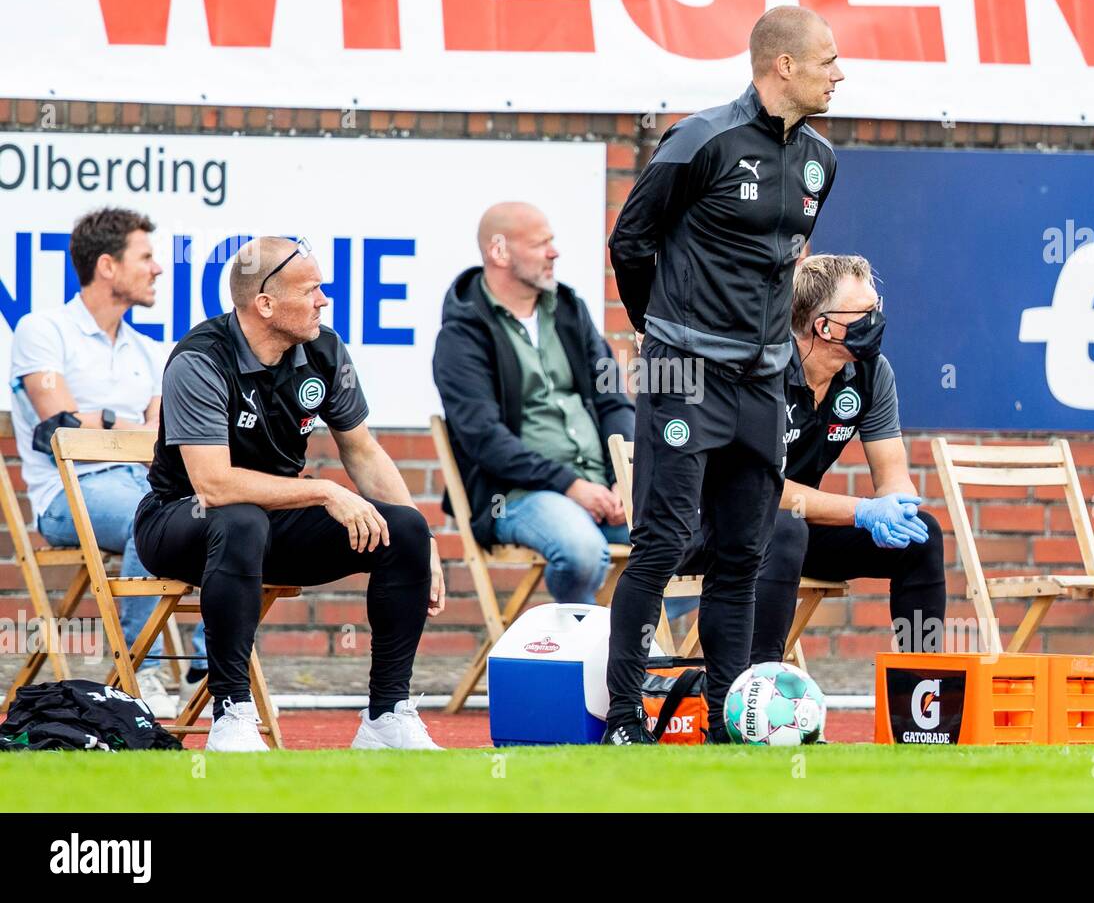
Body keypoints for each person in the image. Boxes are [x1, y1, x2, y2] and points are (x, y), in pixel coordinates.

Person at [603, 6, 844, 744]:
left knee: (745, 547)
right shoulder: (700, 137)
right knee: (664, 540)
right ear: (784, 67)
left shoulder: (820, 161)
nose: (840, 73)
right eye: (828, 60)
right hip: (683, 366)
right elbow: (631, 240)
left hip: (762, 381)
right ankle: (622, 719)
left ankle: (725, 725)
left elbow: (783, 268)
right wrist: (662, 331)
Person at [133, 236, 445, 752]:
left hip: (269, 525)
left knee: (405, 530)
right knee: (240, 520)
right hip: (181, 520)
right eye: (313, 289)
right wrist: (323, 491)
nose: (324, 300)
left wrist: (424, 540)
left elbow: (362, 451)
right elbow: (213, 484)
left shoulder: (323, 348)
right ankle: (231, 712)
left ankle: (387, 715)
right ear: (265, 304)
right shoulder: (199, 358)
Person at [9, 207, 202, 718]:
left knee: (221, 511)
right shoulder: (42, 329)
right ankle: (142, 673)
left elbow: (167, 439)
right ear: (107, 267)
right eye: (145, 257)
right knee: (153, 514)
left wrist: (100, 422)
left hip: (140, 485)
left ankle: (209, 669)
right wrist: (128, 426)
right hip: (66, 496)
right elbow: (61, 433)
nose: (158, 269)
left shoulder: (150, 348)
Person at [743, 253, 945, 663]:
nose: (877, 321)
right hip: (723, 524)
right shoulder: (763, 367)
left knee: (922, 535)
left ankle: (919, 699)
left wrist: (897, 507)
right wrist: (864, 511)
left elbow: (892, 474)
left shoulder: (872, 372)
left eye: (877, 308)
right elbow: (762, 490)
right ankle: (759, 688)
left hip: (797, 528)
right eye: (865, 313)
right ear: (824, 326)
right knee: (785, 528)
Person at [434, 202, 634, 604]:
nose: (554, 252)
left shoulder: (569, 311)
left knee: (697, 543)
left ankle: (618, 642)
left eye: (553, 241)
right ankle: (587, 652)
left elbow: (613, 401)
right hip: (515, 496)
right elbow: (485, 439)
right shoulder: (461, 336)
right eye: (541, 243)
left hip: (602, 486)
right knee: (581, 553)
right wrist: (571, 485)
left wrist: (623, 478)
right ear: (499, 252)